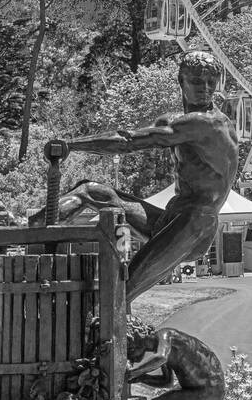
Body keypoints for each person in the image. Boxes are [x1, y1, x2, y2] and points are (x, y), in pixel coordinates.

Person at [31, 49, 239, 307]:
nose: (206, 89)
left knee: (118, 294)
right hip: (172, 217)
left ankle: (106, 341)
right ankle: (31, 227)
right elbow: (153, 133)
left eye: (211, 82)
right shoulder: (181, 122)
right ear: (181, 81)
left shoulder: (208, 123)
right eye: (197, 81)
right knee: (90, 191)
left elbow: (129, 140)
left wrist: (71, 145)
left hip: (194, 224)